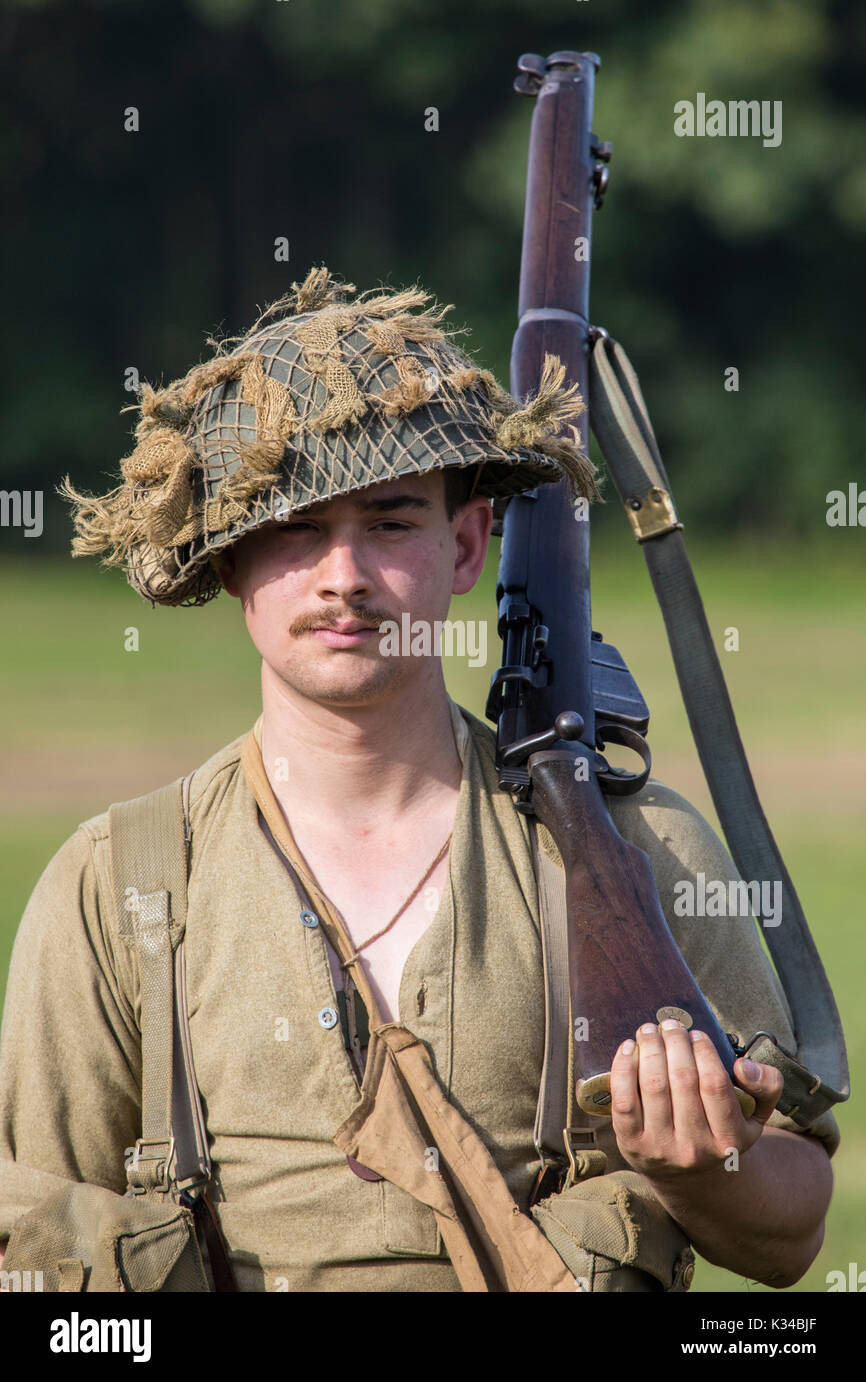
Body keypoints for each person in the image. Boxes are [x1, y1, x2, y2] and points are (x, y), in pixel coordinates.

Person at [0, 266, 839, 1292]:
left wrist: (703, 1171)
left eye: (391, 522)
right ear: (229, 563)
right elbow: (35, 1252)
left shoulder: (636, 850)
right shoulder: (115, 885)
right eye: (296, 528)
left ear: (466, 545)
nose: (343, 574)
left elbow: (792, 1229)